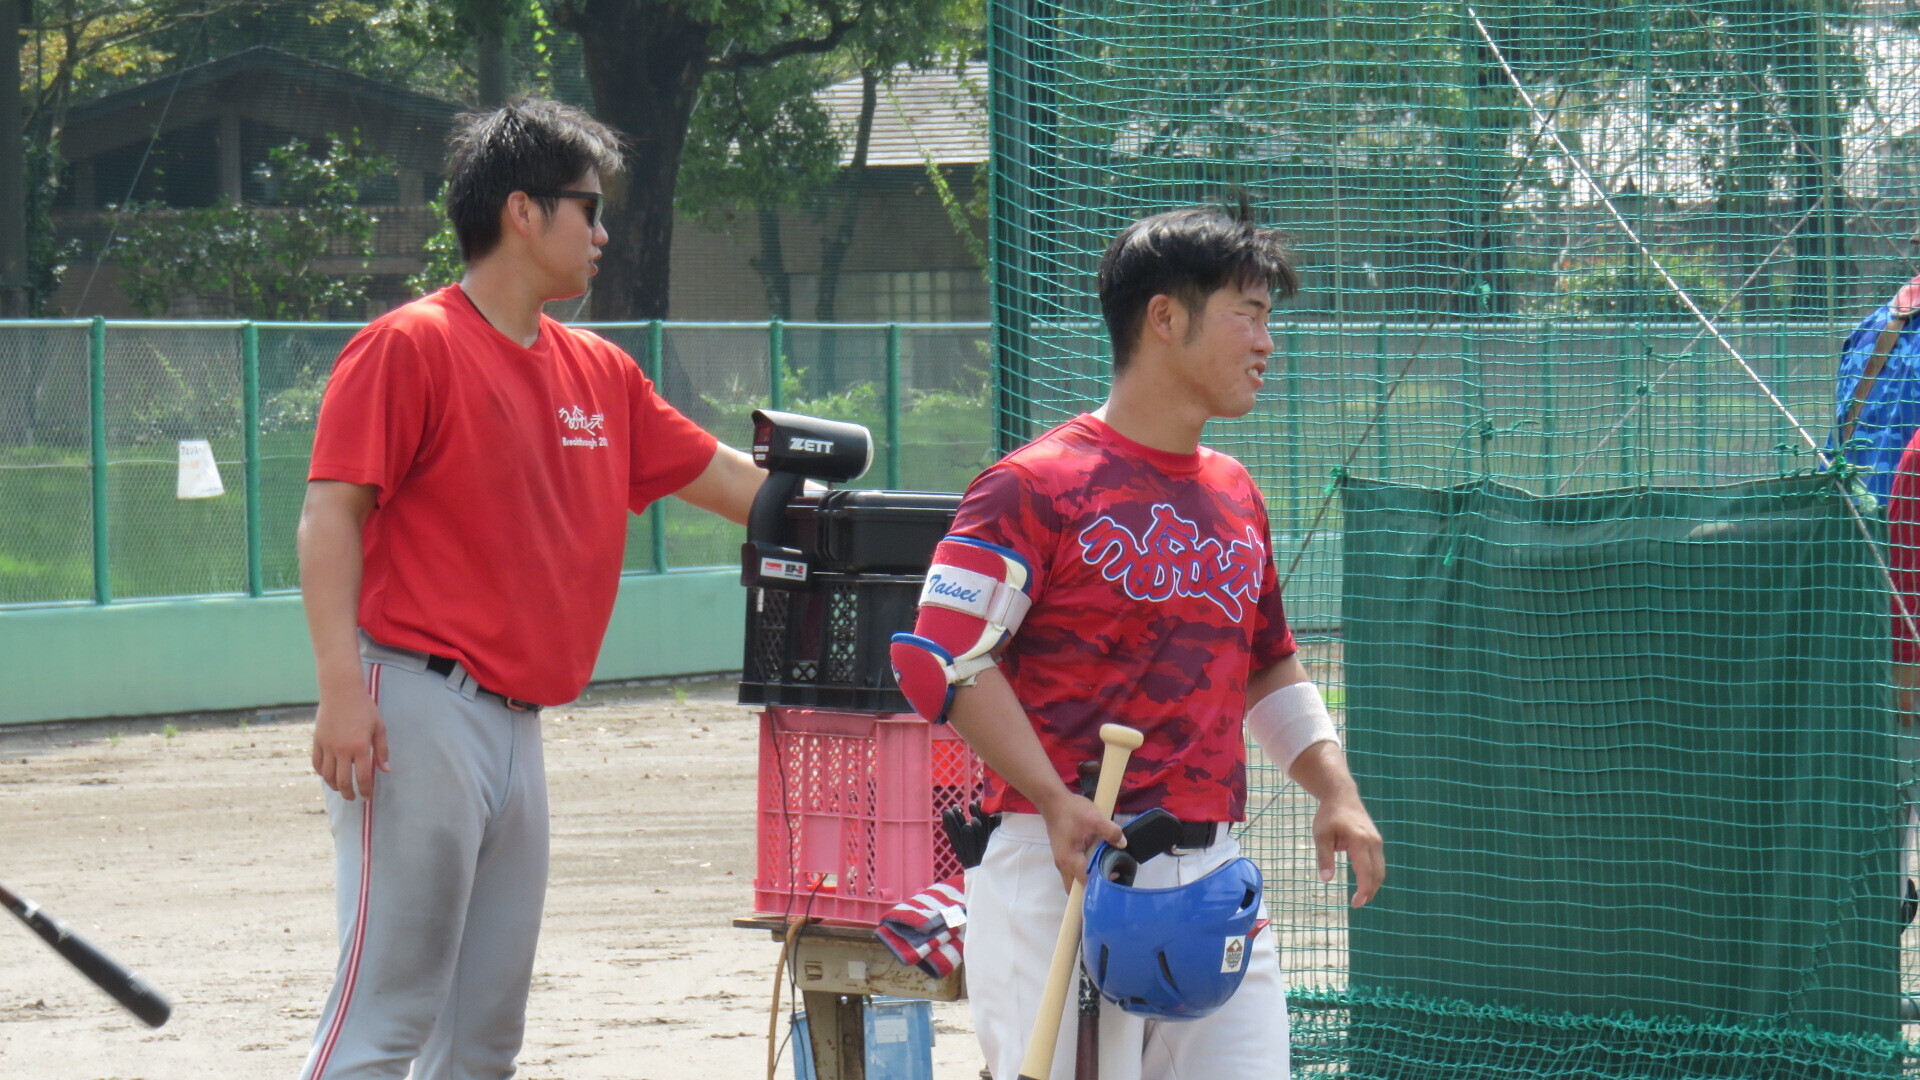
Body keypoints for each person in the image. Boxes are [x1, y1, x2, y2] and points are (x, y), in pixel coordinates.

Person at [294, 99, 766, 1079]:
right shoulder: (411, 344)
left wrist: (918, 526)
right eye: (587, 208)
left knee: (483, 1042)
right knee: (383, 1024)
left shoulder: (599, 371)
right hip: (415, 705)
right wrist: (342, 688)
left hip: (518, 726)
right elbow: (329, 517)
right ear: (520, 211)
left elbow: (732, 483)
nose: (602, 233)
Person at [891, 205, 1385, 1079]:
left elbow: (1267, 665)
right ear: (1165, 317)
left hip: (1211, 880)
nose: (1268, 342)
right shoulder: (1032, 485)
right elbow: (944, 661)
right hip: (1068, 867)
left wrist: (1334, 790)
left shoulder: (1236, 492)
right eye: (1249, 313)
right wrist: (1050, 796)